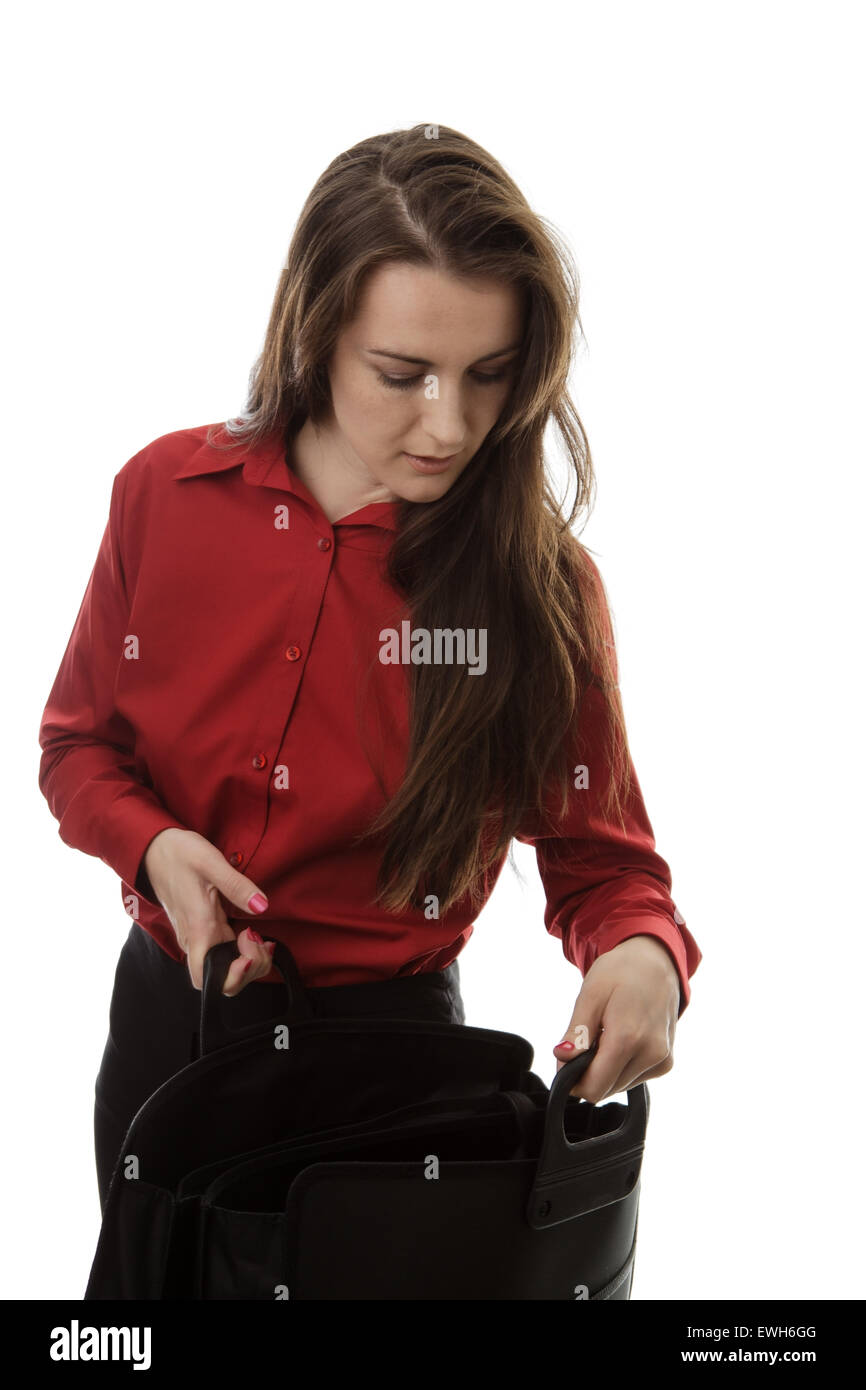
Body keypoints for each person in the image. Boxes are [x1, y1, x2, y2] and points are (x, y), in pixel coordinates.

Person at [37, 123, 702, 1216]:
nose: (450, 424)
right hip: (170, 1032)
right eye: (402, 374)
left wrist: (642, 953)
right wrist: (153, 849)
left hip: (396, 1081)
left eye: (488, 374)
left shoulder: (541, 591)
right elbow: (78, 747)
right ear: (315, 332)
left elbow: (605, 864)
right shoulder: (160, 494)